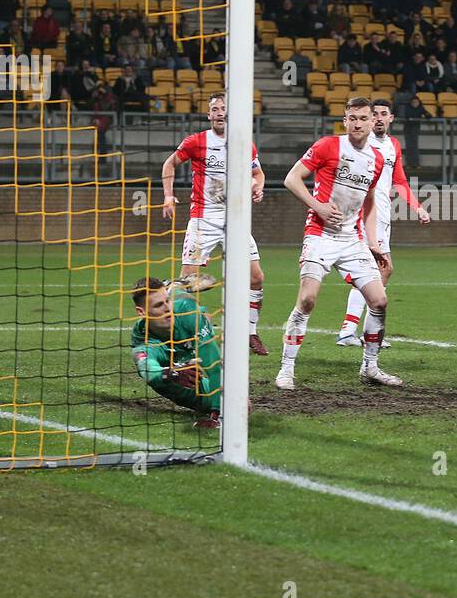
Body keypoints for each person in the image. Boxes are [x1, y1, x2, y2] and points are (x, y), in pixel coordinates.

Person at [277, 97, 399, 390]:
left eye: (363, 118)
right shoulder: (328, 146)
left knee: (379, 300)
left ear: (373, 121)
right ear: (345, 120)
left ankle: (370, 367)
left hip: (352, 239)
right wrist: (316, 205)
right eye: (351, 118)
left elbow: (369, 202)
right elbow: (292, 179)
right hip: (319, 234)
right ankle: (286, 369)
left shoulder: (377, 159)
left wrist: (373, 242)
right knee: (307, 300)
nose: (357, 123)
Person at [160, 94, 268, 356]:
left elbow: (257, 173)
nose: (220, 113)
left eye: (224, 109)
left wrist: (258, 187)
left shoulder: (244, 143)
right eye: (215, 109)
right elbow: (169, 163)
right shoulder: (197, 141)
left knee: (256, 277)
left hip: (236, 219)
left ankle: (250, 333)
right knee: (188, 281)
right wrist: (168, 195)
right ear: (209, 115)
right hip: (203, 219)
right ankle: (177, 334)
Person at [337, 99, 431, 347]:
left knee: (382, 271)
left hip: (383, 216)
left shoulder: (393, 145)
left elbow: (399, 180)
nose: (378, 118)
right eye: (374, 114)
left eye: (383, 114)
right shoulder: (359, 143)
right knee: (376, 270)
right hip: (365, 214)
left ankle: (362, 332)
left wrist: (417, 207)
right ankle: (353, 331)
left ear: (391, 118)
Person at [130, 277, 224, 429]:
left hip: (188, 319)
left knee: (231, 400)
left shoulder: (185, 310)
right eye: (159, 305)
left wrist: (217, 413)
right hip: (175, 374)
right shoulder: (144, 342)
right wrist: (172, 373)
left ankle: (176, 288)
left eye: (167, 301)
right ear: (142, 312)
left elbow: (213, 363)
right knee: (200, 397)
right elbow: (147, 369)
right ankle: (176, 288)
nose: (167, 308)